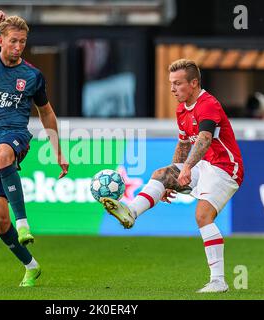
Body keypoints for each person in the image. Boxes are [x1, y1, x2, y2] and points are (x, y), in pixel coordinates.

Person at [101, 59, 244, 293]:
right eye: (171, 83)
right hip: (204, 165)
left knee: (202, 215)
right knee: (160, 174)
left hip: (225, 167)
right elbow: (183, 142)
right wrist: (173, 177)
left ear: (194, 83)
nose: (172, 89)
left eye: (178, 84)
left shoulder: (208, 104)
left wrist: (186, 168)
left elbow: (204, 139)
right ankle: (131, 212)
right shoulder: (181, 109)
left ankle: (218, 281)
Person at [0, 11, 69, 287]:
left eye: (23, 42)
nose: (18, 47)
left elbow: (46, 113)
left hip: (14, 134)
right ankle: (31, 265)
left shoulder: (32, 76)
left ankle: (24, 224)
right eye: (13, 41)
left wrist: (58, 150)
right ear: (1, 40)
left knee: (2, 154)